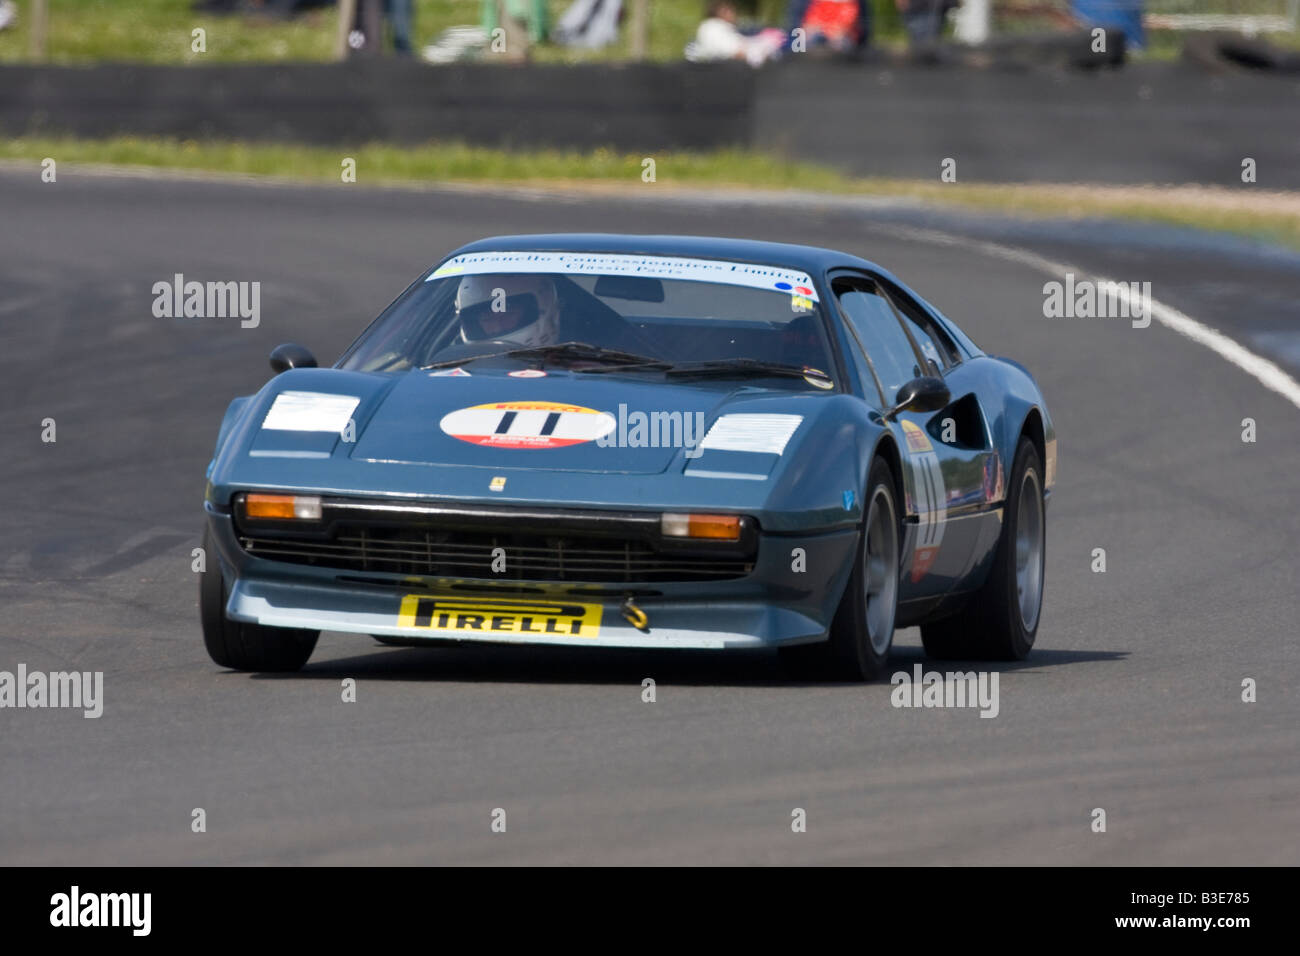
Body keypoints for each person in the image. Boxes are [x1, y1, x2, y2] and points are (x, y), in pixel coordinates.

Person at [456, 275, 562, 348]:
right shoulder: (458, 370)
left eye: (508, 314)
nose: (497, 327)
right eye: (487, 318)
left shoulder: (573, 370)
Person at [692, 2, 785, 66]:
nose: (734, 14)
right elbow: (737, 53)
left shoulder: (721, 29)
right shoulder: (712, 27)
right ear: (722, 11)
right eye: (730, 11)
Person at [784, 0, 870, 57]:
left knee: (840, 44)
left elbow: (860, 32)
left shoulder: (853, 4)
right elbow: (797, 29)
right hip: (813, 43)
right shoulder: (810, 3)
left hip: (841, 46)